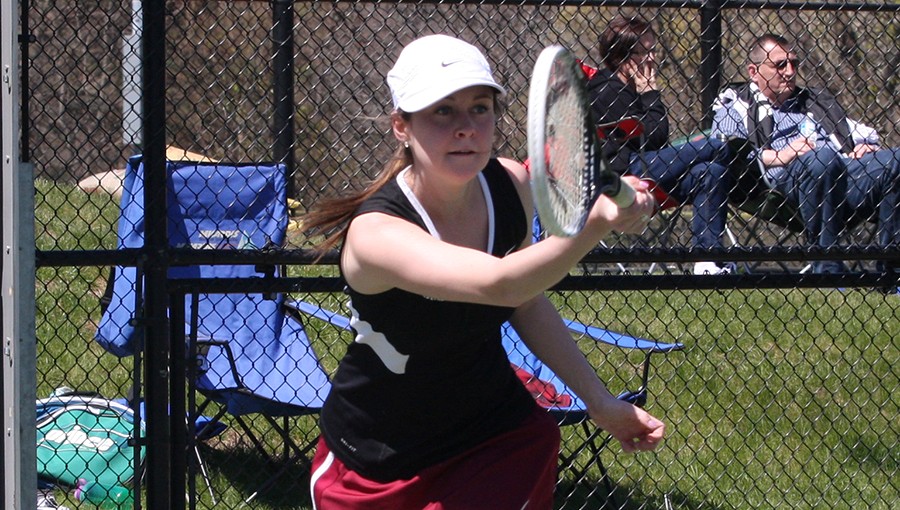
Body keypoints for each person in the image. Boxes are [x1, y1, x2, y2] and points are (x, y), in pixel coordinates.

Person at [298, 34, 662, 509]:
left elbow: (525, 300)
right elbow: (499, 284)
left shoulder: (510, 184)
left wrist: (600, 401)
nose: (466, 128)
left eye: (479, 108)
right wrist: (593, 225)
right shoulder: (376, 232)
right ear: (401, 126)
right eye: (442, 111)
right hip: (377, 461)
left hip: (494, 437)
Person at [712, 33, 900, 274]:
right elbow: (725, 152)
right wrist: (780, 156)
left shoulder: (814, 102)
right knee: (822, 160)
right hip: (786, 183)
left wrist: (863, 148)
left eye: (794, 64)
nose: (790, 72)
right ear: (754, 71)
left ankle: (893, 273)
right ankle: (828, 269)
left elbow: (858, 133)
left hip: (842, 172)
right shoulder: (735, 106)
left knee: (895, 160)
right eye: (780, 65)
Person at [586, 16, 736, 275]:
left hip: (648, 168)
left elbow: (654, 139)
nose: (652, 59)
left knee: (710, 172)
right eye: (644, 53)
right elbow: (656, 136)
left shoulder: (629, 86)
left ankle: (707, 260)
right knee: (717, 146)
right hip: (621, 175)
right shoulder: (606, 89)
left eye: (653, 50)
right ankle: (754, 164)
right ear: (621, 57)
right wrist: (650, 93)